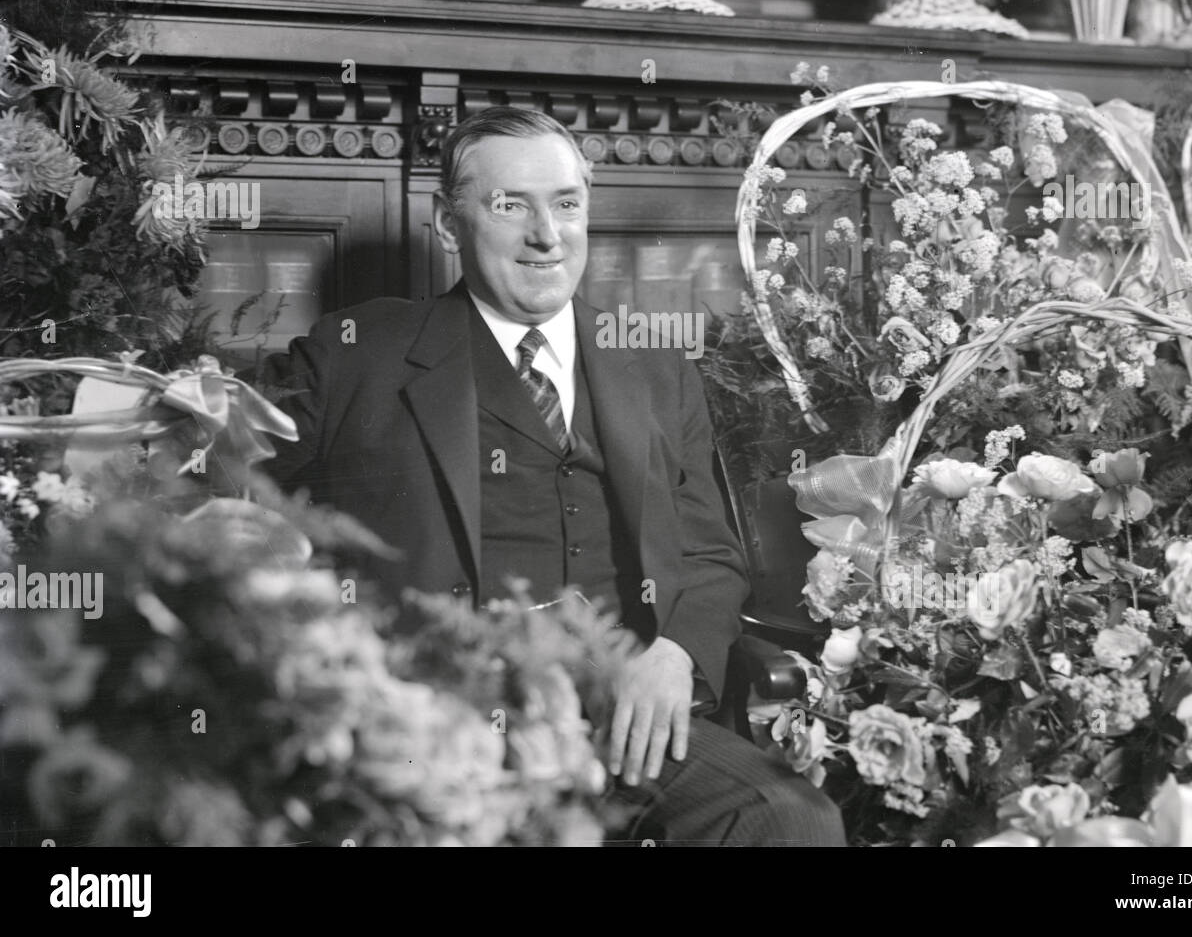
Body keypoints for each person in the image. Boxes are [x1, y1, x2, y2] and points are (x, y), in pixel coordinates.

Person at [258, 105, 845, 847]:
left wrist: (676, 654)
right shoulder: (354, 356)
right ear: (448, 222)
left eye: (567, 204)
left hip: (623, 715)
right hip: (439, 728)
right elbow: (222, 486)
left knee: (790, 817)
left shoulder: (653, 364)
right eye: (513, 206)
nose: (548, 234)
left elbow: (709, 552)